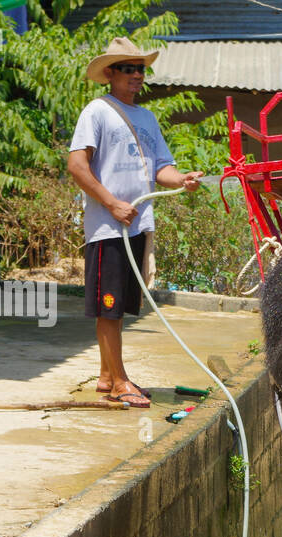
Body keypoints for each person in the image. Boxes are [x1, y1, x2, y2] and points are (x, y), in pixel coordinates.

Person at [67, 37, 202, 408]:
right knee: (107, 305)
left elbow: (163, 168)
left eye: (141, 68)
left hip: (137, 226)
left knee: (122, 304)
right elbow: (77, 165)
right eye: (128, 68)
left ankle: (108, 375)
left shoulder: (147, 118)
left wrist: (182, 180)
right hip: (108, 227)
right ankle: (120, 381)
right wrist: (111, 204)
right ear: (110, 73)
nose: (137, 75)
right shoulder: (96, 111)